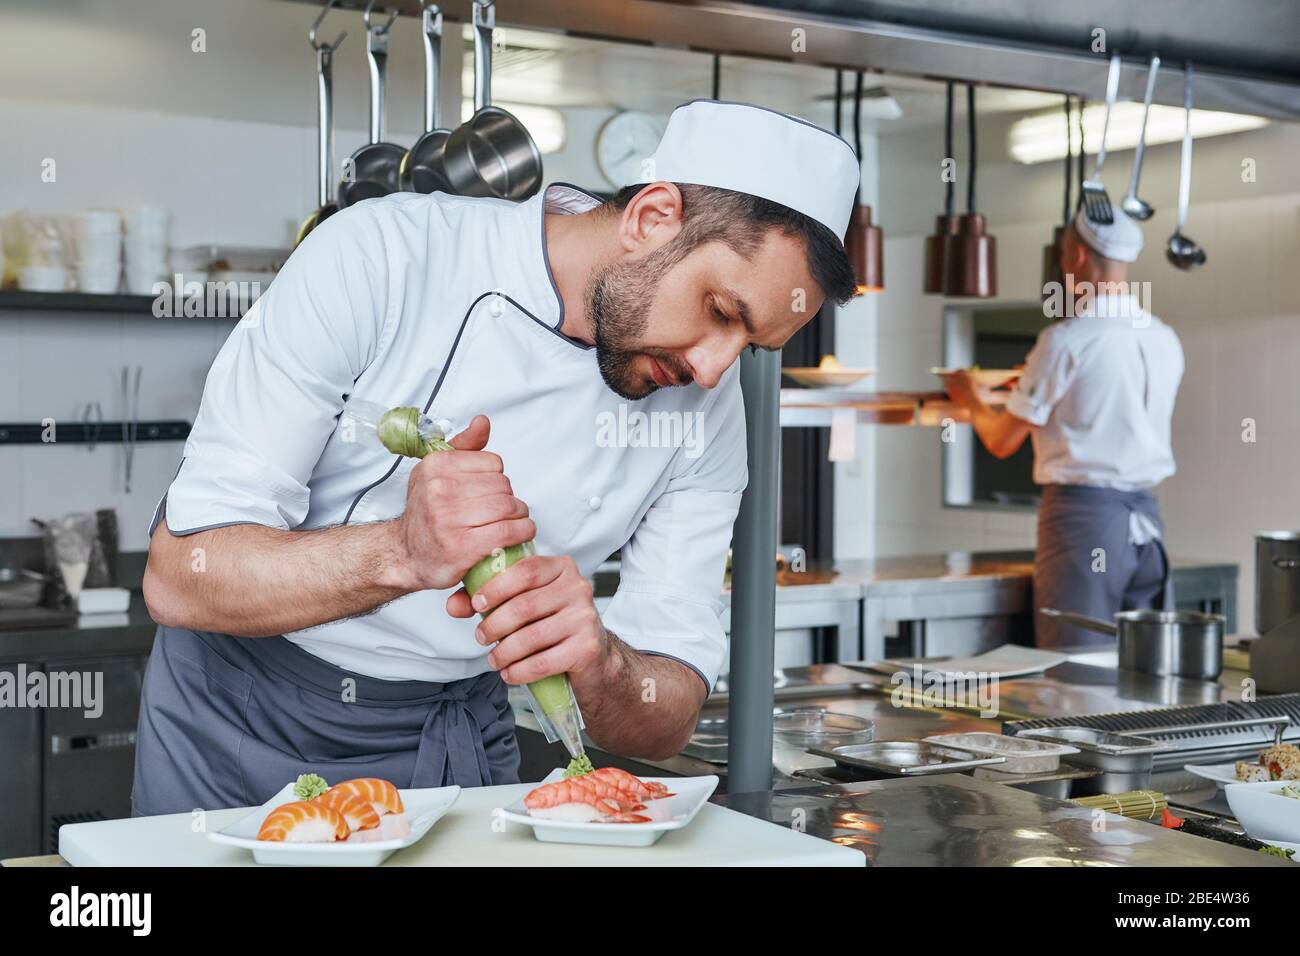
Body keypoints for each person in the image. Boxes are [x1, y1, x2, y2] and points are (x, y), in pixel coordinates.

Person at [131, 100, 860, 813]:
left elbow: (666, 718)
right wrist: (402, 553)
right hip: (243, 729)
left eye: (749, 345)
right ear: (652, 218)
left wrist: (602, 663)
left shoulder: (707, 410)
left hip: (459, 740)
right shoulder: (383, 256)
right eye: (721, 313)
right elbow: (180, 577)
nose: (712, 369)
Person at [945, 208, 1184, 649]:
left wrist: (967, 397)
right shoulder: (1164, 338)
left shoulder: (1067, 340)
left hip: (1084, 524)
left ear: (1073, 256)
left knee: (1074, 667)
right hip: (1147, 528)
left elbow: (1001, 440)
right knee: (1146, 668)